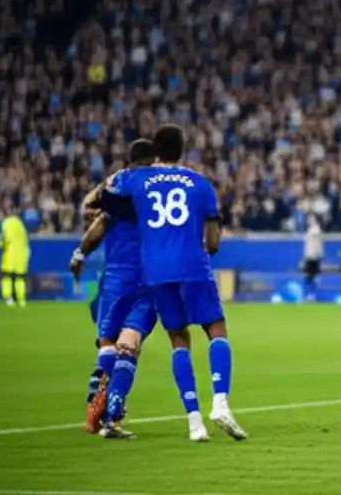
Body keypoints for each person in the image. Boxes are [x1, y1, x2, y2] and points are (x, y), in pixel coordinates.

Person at [106, 124, 246, 442]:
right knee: (216, 329)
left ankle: (194, 422)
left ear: (156, 150)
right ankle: (221, 402)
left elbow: (106, 196)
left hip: (156, 272)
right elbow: (212, 244)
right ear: (183, 148)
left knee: (178, 339)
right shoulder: (200, 184)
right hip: (193, 266)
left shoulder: (137, 178)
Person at [70, 138, 157, 437]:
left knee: (106, 342)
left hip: (116, 275)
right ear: (153, 159)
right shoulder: (157, 187)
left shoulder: (118, 186)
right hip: (149, 276)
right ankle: (111, 416)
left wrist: (79, 254)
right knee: (130, 345)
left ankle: (96, 395)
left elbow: (93, 212)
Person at [0, 206, 31, 307]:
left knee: (7, 277)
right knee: (20, 278)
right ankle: (21, 299)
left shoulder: (6, 223)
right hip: (21, 257)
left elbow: (3, 240)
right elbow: (26, 241)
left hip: (9, 255)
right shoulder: (21, 224)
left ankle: (8, 298)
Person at [300, 216, 324, 302]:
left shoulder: (315, 229)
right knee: (308, 276)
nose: (309, 221)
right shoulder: (309, 230)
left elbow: (317, 235)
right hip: (309, 256)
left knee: (312, 276)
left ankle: (312, 294)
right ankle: (309, 294)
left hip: (314, 256)